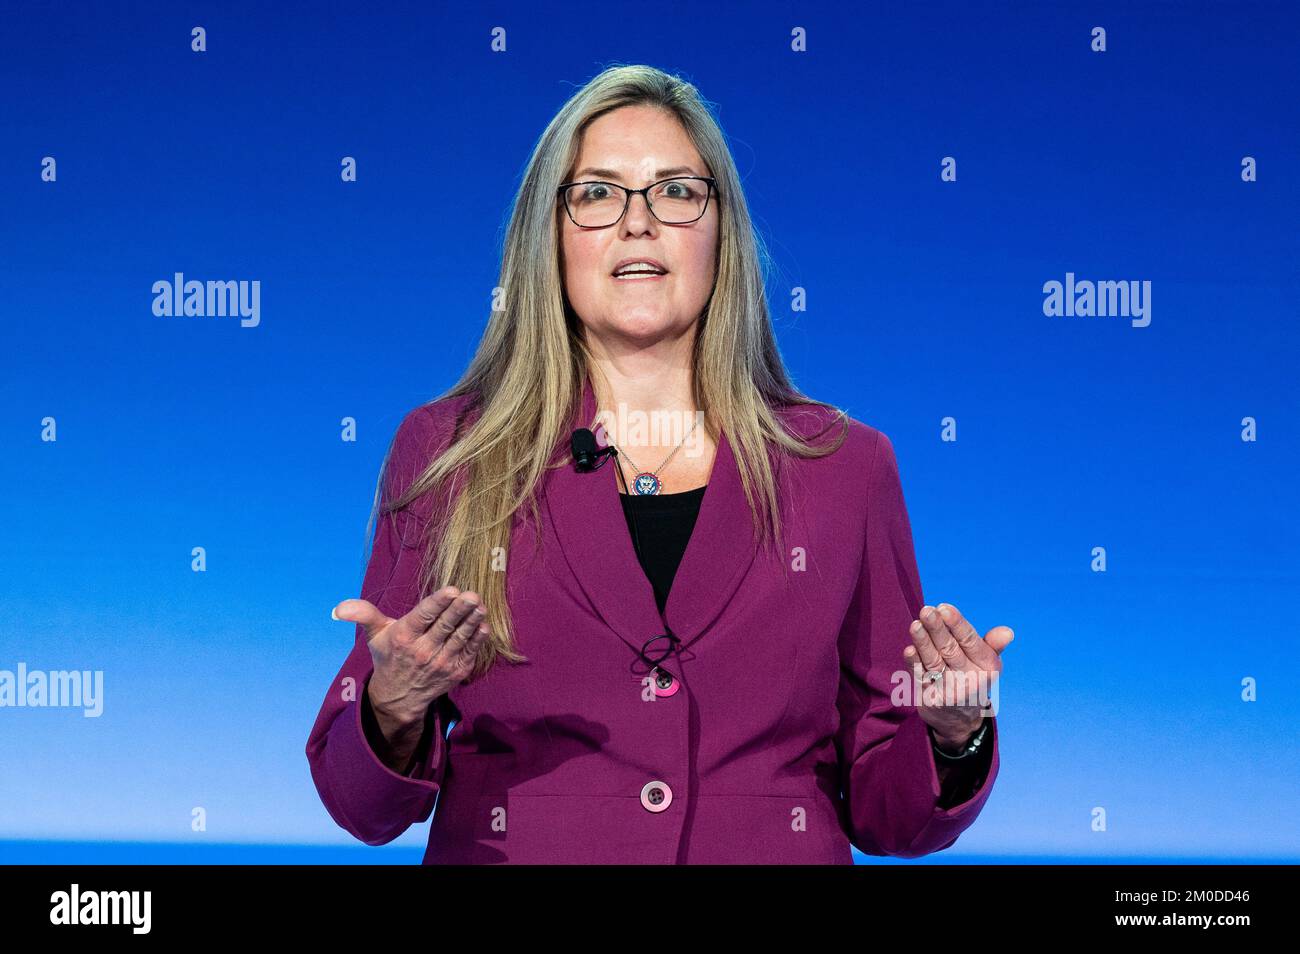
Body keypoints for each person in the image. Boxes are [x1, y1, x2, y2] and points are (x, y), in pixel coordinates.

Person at [305, 64, 1012, 864]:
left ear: (721, 232)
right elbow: (360, 805)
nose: (637, 222)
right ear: (550, 234)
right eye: (598, 193)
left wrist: (951, 735)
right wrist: (390, 707)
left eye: (675, 191)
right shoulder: (448, 452)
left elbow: (892, 817)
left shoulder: (847, 467)